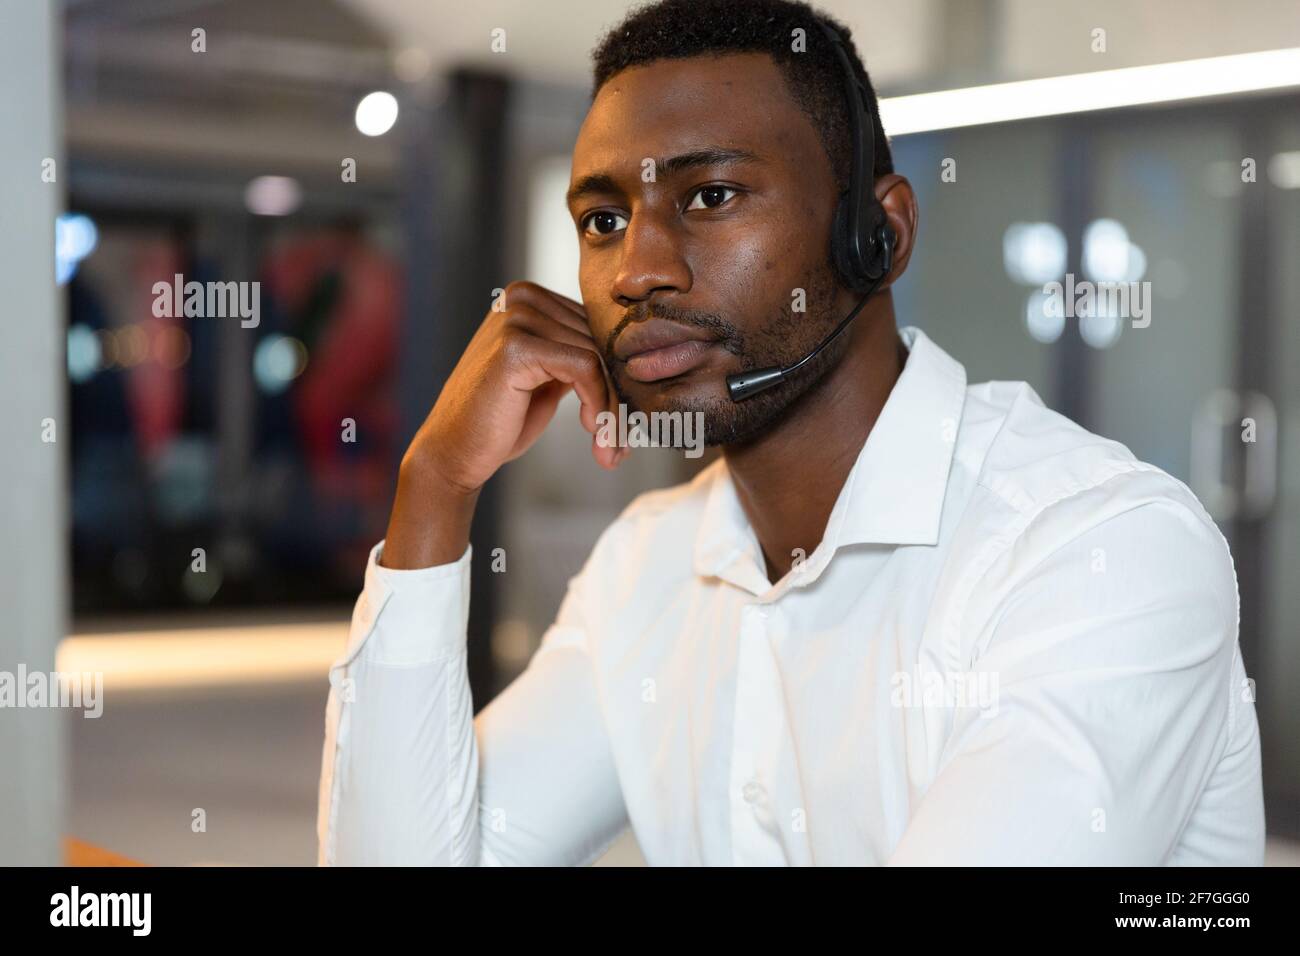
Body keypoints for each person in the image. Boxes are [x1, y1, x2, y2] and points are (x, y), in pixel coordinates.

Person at [316, 0, 1264, 865]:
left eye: (711, 196)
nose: (636, 270)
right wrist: (435, 486)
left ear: (877, 237)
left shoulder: (1098, 552)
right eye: (604, 219)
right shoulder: (648, 566)